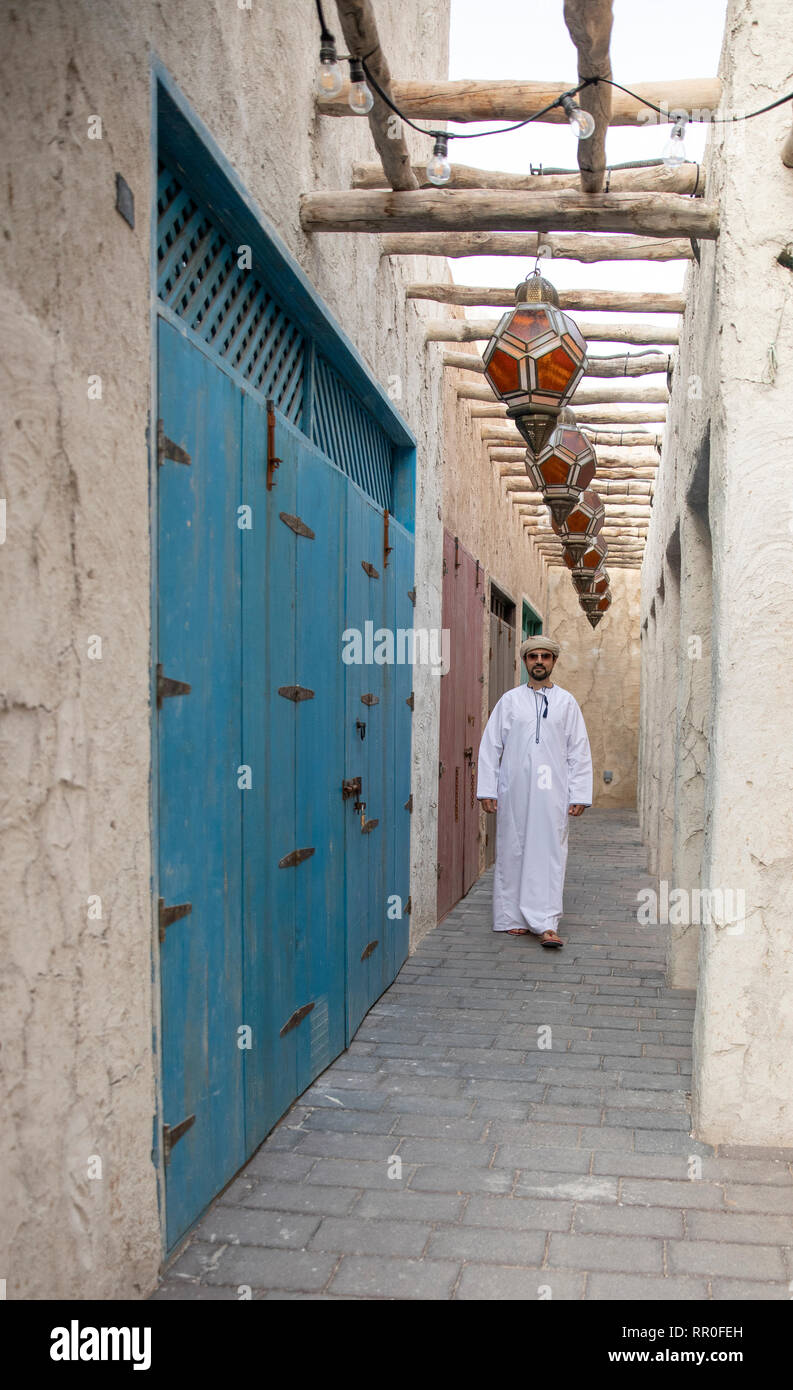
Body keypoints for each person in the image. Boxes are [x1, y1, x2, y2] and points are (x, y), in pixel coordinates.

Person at [477, 635, 592, 948]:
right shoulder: (510, 701)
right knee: (513, 848)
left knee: (550, 852)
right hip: (513, 790)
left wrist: (579, 793)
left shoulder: (567, 703)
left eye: (545, 656)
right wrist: (488, 789)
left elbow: (578, 750)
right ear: (525, 661)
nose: (539, 661)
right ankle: (511, 917)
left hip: (552, 794)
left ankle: (546, 922)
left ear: (553, 662)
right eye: (533, 656)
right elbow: (490, 747)